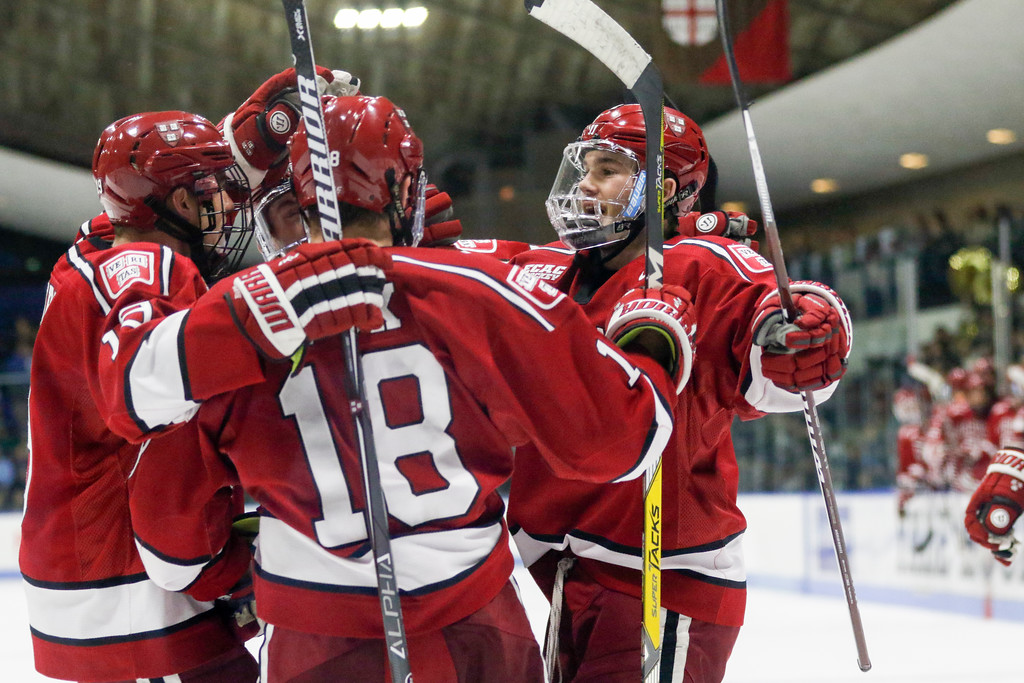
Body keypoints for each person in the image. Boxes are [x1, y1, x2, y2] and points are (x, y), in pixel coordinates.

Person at [126, 94, 692, 683]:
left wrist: (236, 566)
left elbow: (171, 547)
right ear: (404, 192)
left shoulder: (238, 319)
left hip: (313, 641)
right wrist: (651, 346)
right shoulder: (481, 294)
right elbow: (621, 443)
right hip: (477, 629)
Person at [20, 102, 390, 682]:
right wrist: (278, 306)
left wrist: (250, 141)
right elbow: (145, 389)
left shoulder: (97, 257)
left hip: (92, 570)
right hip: (126, 581)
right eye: (211, 186)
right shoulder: (151, 267)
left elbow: (139, 196)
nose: (229, 201)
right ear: (179, 202)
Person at [497, 103, 852, 683]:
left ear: (658, 188)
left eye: (607, 168)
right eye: (585, 167)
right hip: (570, 573)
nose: (586, 183)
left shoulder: (702, 264)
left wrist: (808, 325)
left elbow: (774, 325)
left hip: (661, 580)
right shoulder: (555, 266)